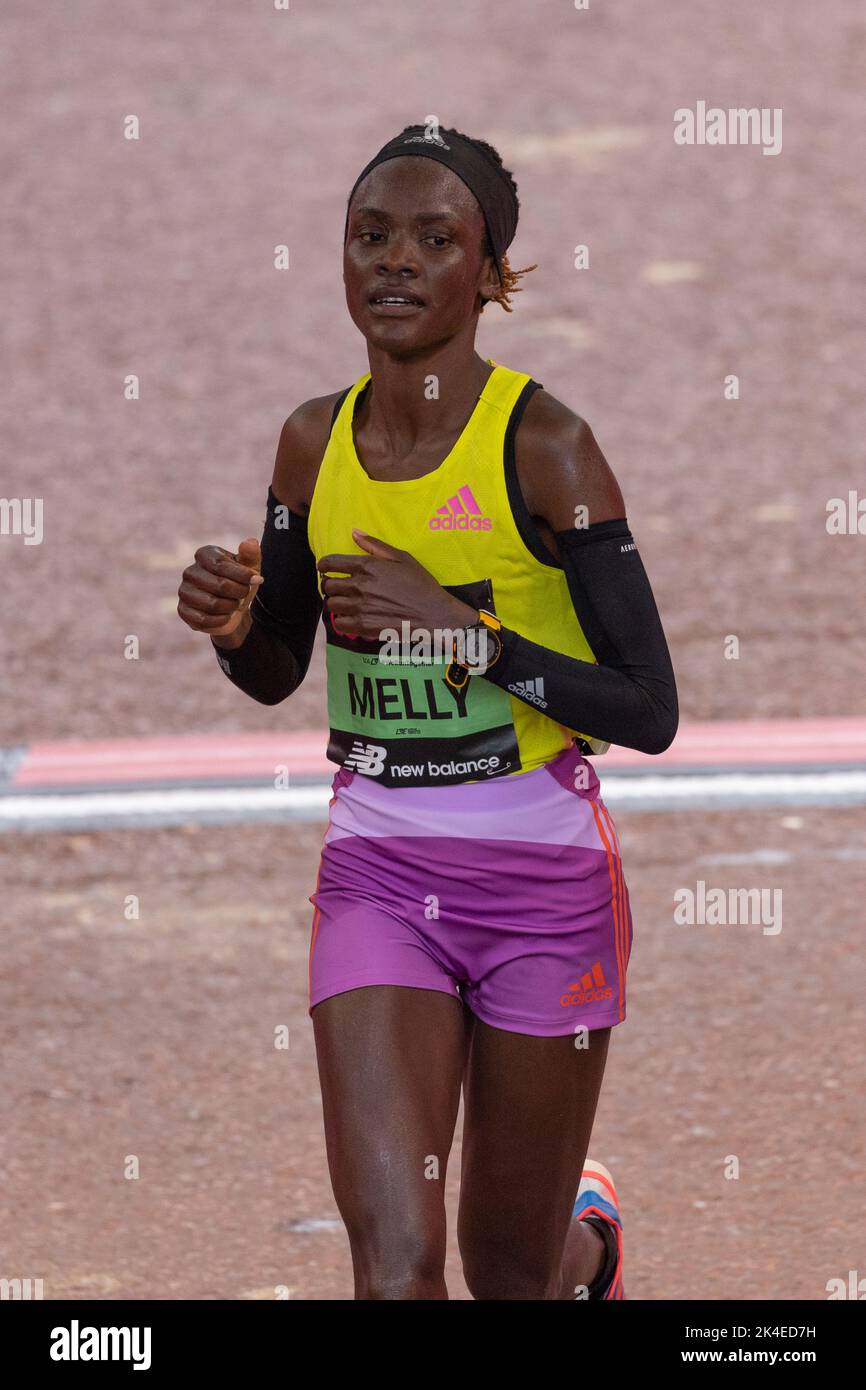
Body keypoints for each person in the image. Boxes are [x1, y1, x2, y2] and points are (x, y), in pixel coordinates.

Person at [177, 123, 678, 1300]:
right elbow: (279, 665)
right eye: (368, 237)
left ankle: (585, 1249)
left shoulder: (545, 448)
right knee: (397, 1271)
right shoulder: (313, 443)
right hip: (379, 881)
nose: (393, 261)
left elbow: (646, 708)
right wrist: (234, 623)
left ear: (486, 273)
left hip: (543, 893)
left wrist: (463, 633)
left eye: (432, 239)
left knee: (508, 1277)